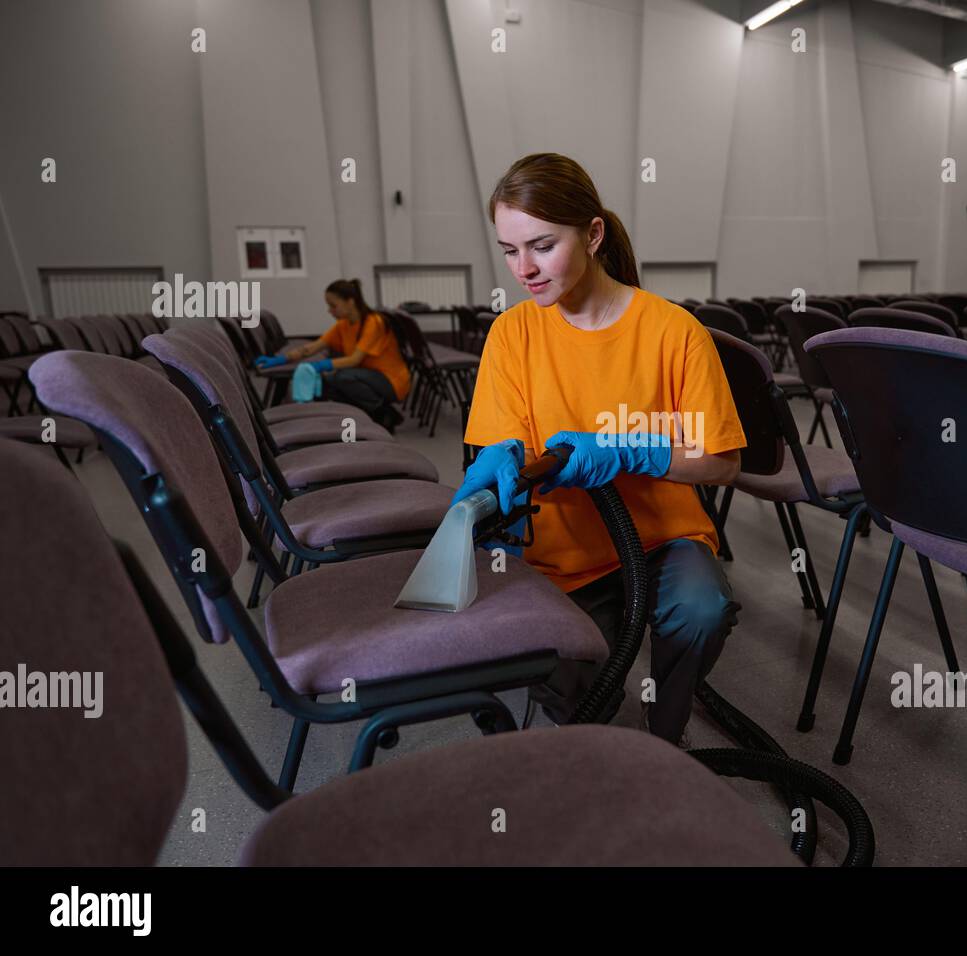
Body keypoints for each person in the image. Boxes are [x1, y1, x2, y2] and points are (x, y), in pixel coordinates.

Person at [455, 153, 747, 746]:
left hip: (662, 542)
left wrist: (634, 452)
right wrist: (494, 466)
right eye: (510, 250)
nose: (524, 269)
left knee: (701, 610)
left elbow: (723, 462)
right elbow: (498, 441)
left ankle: (668, 733)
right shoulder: (512, 334)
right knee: (573, 690)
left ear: (592, 235)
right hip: (560, 553)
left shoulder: (673, 332)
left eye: (541, 245)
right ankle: (601, 728)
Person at [272, 279, 410, 431]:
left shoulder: (374, 323)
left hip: (391, 380)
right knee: (328, 383)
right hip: (366, 376)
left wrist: (319, 365)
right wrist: (281, 359)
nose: (329, 310)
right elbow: (313, 347)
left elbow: (354, 360)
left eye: (333, 305)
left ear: (350, 302)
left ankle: (382, 413)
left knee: (343, 377)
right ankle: (370, 414)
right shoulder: (343, 325)